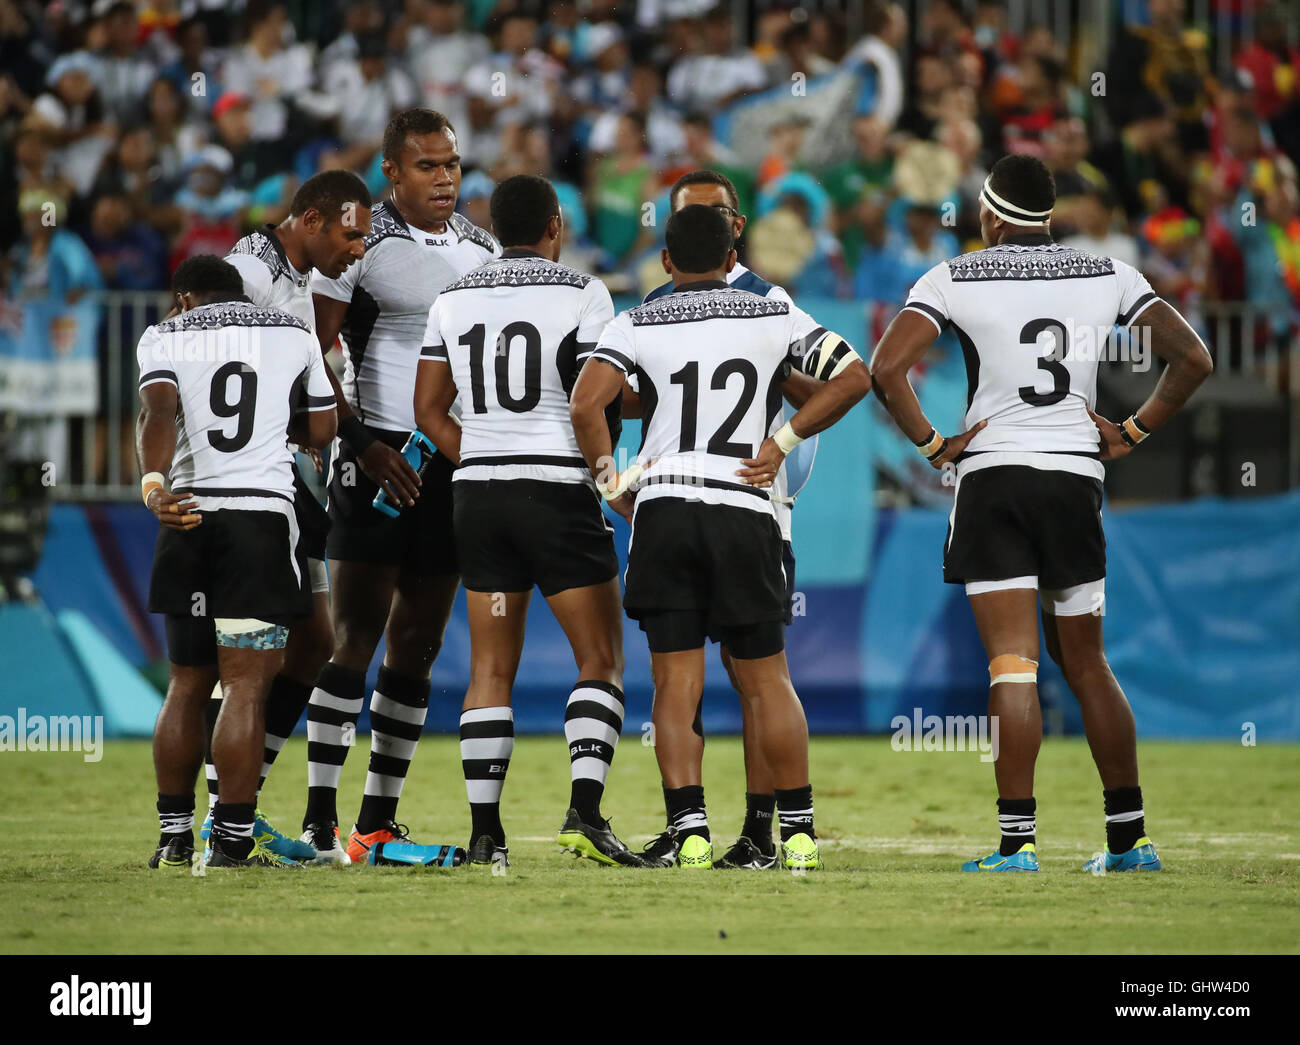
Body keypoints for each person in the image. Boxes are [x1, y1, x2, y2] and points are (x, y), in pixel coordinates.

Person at [869, 153, 1213, 873]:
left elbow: (886, 367)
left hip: (995, 474)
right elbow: (1193, 358)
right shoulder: (1107, 272)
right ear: (1049, 217)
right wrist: (1134, 429)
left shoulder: (955, 274)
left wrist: (935, 444)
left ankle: (1018, 844)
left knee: (1013, 664)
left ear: (991, 217)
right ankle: (1130, 840)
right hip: (1075, 475)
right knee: (1087, 662)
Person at [570, 205, 871, 871]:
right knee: (766, 679)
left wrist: (610, 482)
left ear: (666, 262)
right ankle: (796, 833)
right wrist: (783, 439)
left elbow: (586, 402)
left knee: (675, 681)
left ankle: (692, 831)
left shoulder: (636, 317)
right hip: (744, 502)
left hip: (666, 503)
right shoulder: (772, 310)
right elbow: (855, 376)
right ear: (734, 252)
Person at [413, 173, 639, 868]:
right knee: (599, 657)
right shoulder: (583, 291)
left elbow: (427, 410)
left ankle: (486, 835)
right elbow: (597, 399)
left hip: (479, 495)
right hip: (556, 490)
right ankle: (585, 814)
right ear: (554, 226)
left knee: (489, 666)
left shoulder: (450, 297)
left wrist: (479, 454)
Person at [306, 108, 501, 864]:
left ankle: (375, 820)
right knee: (355, 635)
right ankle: (320, 817)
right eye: (427, 165)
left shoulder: (483, 250)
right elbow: (312, 350)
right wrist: (359, 441)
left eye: (452, 163)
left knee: (419, 641)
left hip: (447, 460)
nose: (445, 177)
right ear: (392, 172)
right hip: (374, 455)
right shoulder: (362, 246)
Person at [182, 170, 371, 864]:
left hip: (291, 485)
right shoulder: (248, 273)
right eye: (350, 234)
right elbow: (200, 362)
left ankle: (237, 805)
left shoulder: (296, 278)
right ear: (313, 219)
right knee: (236, 663)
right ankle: (217, 817)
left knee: (314, 641)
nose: (358, 249)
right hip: (249, 489)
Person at [637, 169, 824, 870]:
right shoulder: (665, 303)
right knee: (706, 676)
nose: (705, 224)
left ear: (735, 226)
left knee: (747, 678)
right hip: (707, 499)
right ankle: (692, 824)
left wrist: (781, 464)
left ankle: (756, 827)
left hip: (754, 505)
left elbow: (810, 398)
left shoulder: (769, 301)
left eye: (713, 213)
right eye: (691, 214)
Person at [139, 255, 337, 869]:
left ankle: (173, 838)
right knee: (247, 686)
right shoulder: (291, 331)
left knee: (186, 684)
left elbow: (159, 412)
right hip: (259, 518)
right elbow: (325, 427)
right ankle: (228, 840)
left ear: (185, 298)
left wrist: (153, 484)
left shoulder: (164, 334)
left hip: (187, 513)